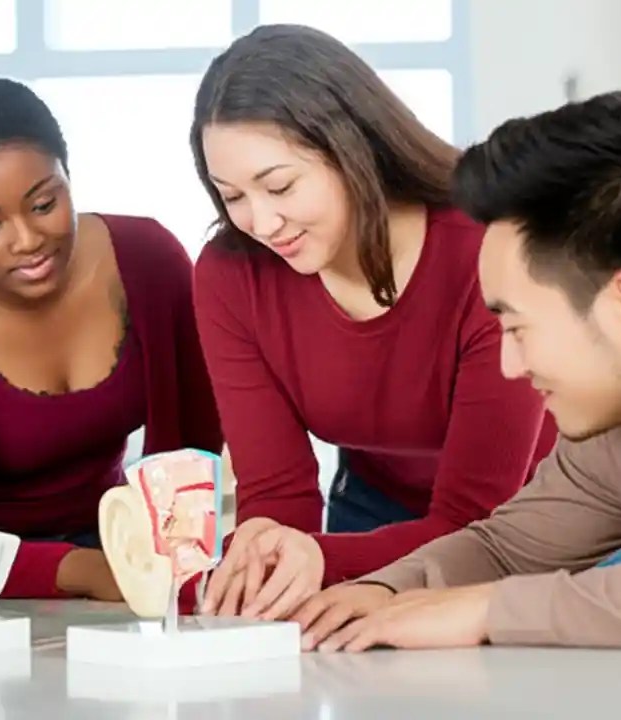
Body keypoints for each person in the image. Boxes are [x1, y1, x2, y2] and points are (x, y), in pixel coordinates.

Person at [294, 88, 621, 654]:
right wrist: (384, 591)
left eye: (517, 327)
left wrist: (491, 612)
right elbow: (506, 550)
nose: (509, 366)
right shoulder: (620, 431)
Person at [191, 23, 556, 621]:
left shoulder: (487, 246)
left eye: (279, 185)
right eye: (231, 196)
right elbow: (277, 495)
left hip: (537, 529)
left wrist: (316, 560)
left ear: (353, 147)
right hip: (368, 520)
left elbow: (477, 521)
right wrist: (260, 560)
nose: (259, 220)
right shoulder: (232, 275)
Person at [0, 77, 223, 601]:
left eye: (45, 204)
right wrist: (89, 571)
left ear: (68, 175)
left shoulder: (150, 261)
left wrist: (154, 557)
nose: (27, 241)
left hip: (124, 552)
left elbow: (196, 444)